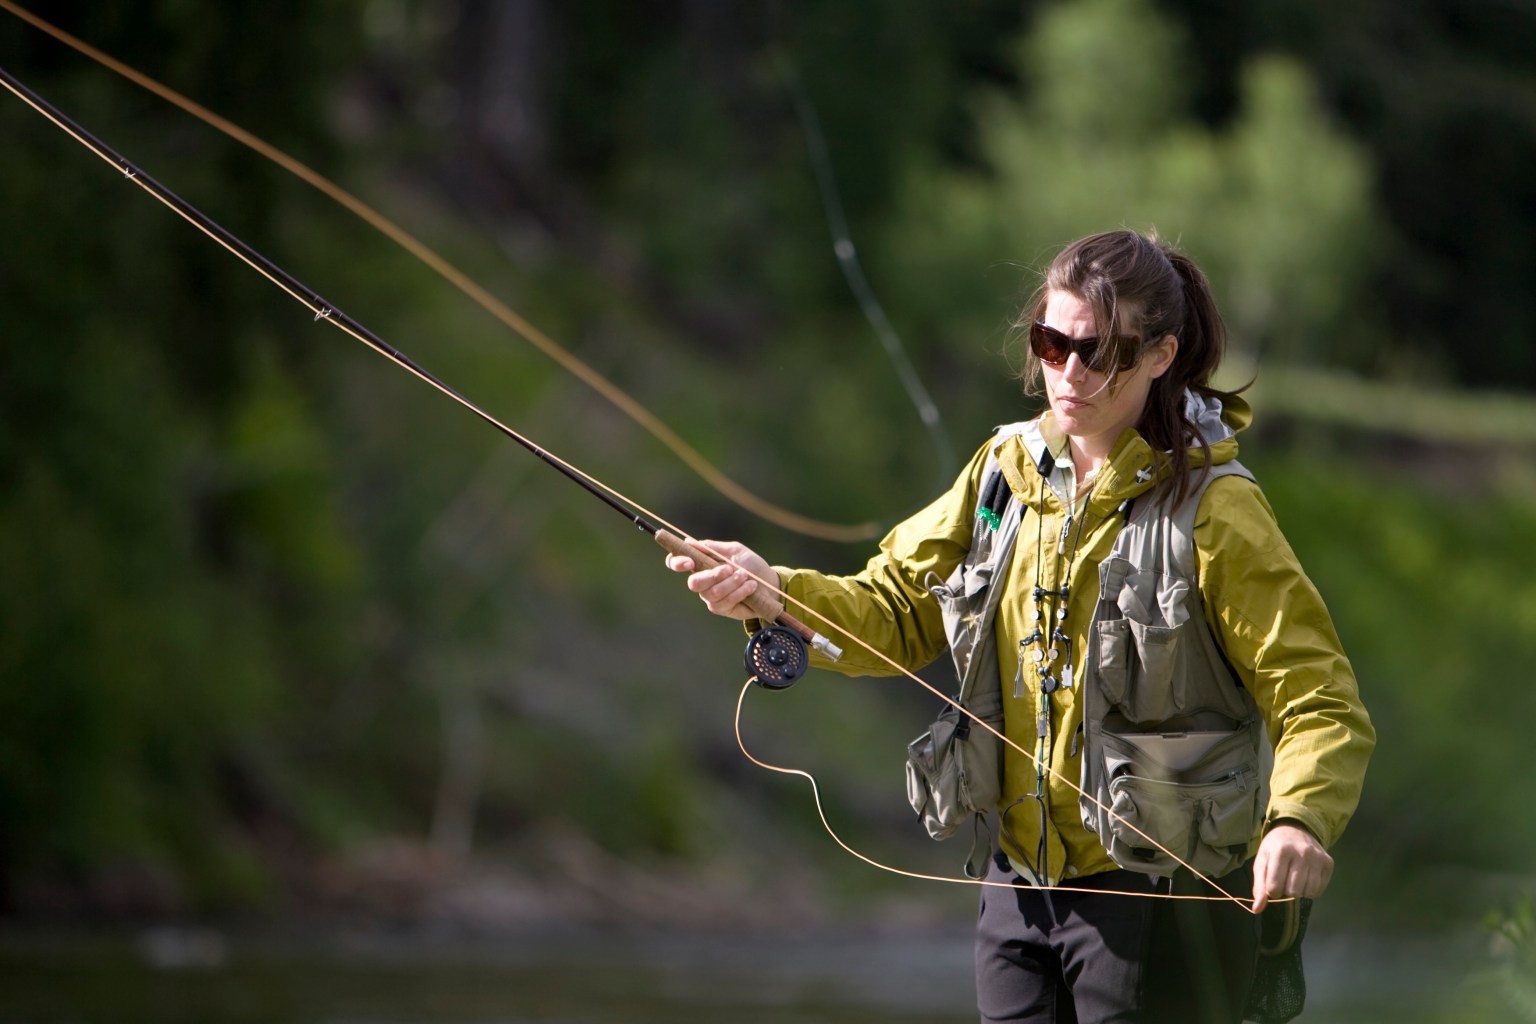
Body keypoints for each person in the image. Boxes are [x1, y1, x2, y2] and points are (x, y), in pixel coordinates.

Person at [666, 229, 1374, 1022]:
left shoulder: (1218, 509)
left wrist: (1299, 822)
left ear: (1160, 355)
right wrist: (776, 594)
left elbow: (1319, 699)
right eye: (1051, 341)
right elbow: (896, 612)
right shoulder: (1002, 473)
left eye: (1098, 352)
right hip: (1017, 894)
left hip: (1163, 903)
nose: (1068, 372)